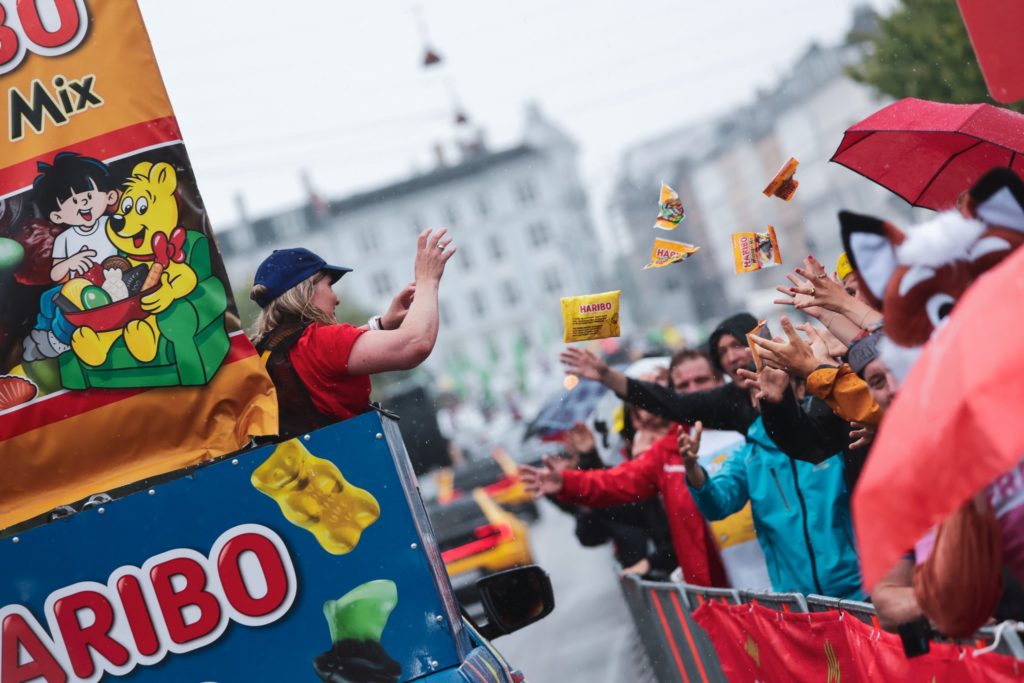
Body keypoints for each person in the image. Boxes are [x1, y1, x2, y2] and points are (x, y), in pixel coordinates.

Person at [561, 313, 863, 598]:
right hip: (788, 601)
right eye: (723, 352)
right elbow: (713, 502)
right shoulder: (744, 450)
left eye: (737, 345)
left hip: (857, 589)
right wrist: (692, 470)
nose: (732, 357)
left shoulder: (828, 427)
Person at [522, 349, 731, 588]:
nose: (693, 390)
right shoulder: (666, 453)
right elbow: (615, 491)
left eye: (701, 380)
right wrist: (569, 480)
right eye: (684, 384)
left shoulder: (749, 425)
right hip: (723, 593)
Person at [248, 228, 455, 437]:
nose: (336, 298)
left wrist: (381, 324)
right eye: (329, 285)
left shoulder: (269, 350)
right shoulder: (319, 341)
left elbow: (329, 355)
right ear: (306, 291)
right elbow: (415, 344)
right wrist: (428, 280)